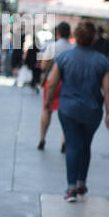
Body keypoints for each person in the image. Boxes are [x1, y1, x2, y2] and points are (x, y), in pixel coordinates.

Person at [43, 21, 109, 201]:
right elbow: (107, 90)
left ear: (76, 35)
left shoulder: (64, 58)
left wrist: (49, 100)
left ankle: (71, 187)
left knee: (72, 145)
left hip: (68, 109)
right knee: (86, 145)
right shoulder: (102, 61)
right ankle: (82, 182)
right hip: (92, 111)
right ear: (94, 37)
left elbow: (52, 83)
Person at [37, 22, 71, 151]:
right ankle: (64, 141)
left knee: (47, 109)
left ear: (58, 32)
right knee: (66, 114)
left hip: (52, 81)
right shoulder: (73, 48)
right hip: (68, 84)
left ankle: (42, 139)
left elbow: (43, 66)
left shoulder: (52, 46)